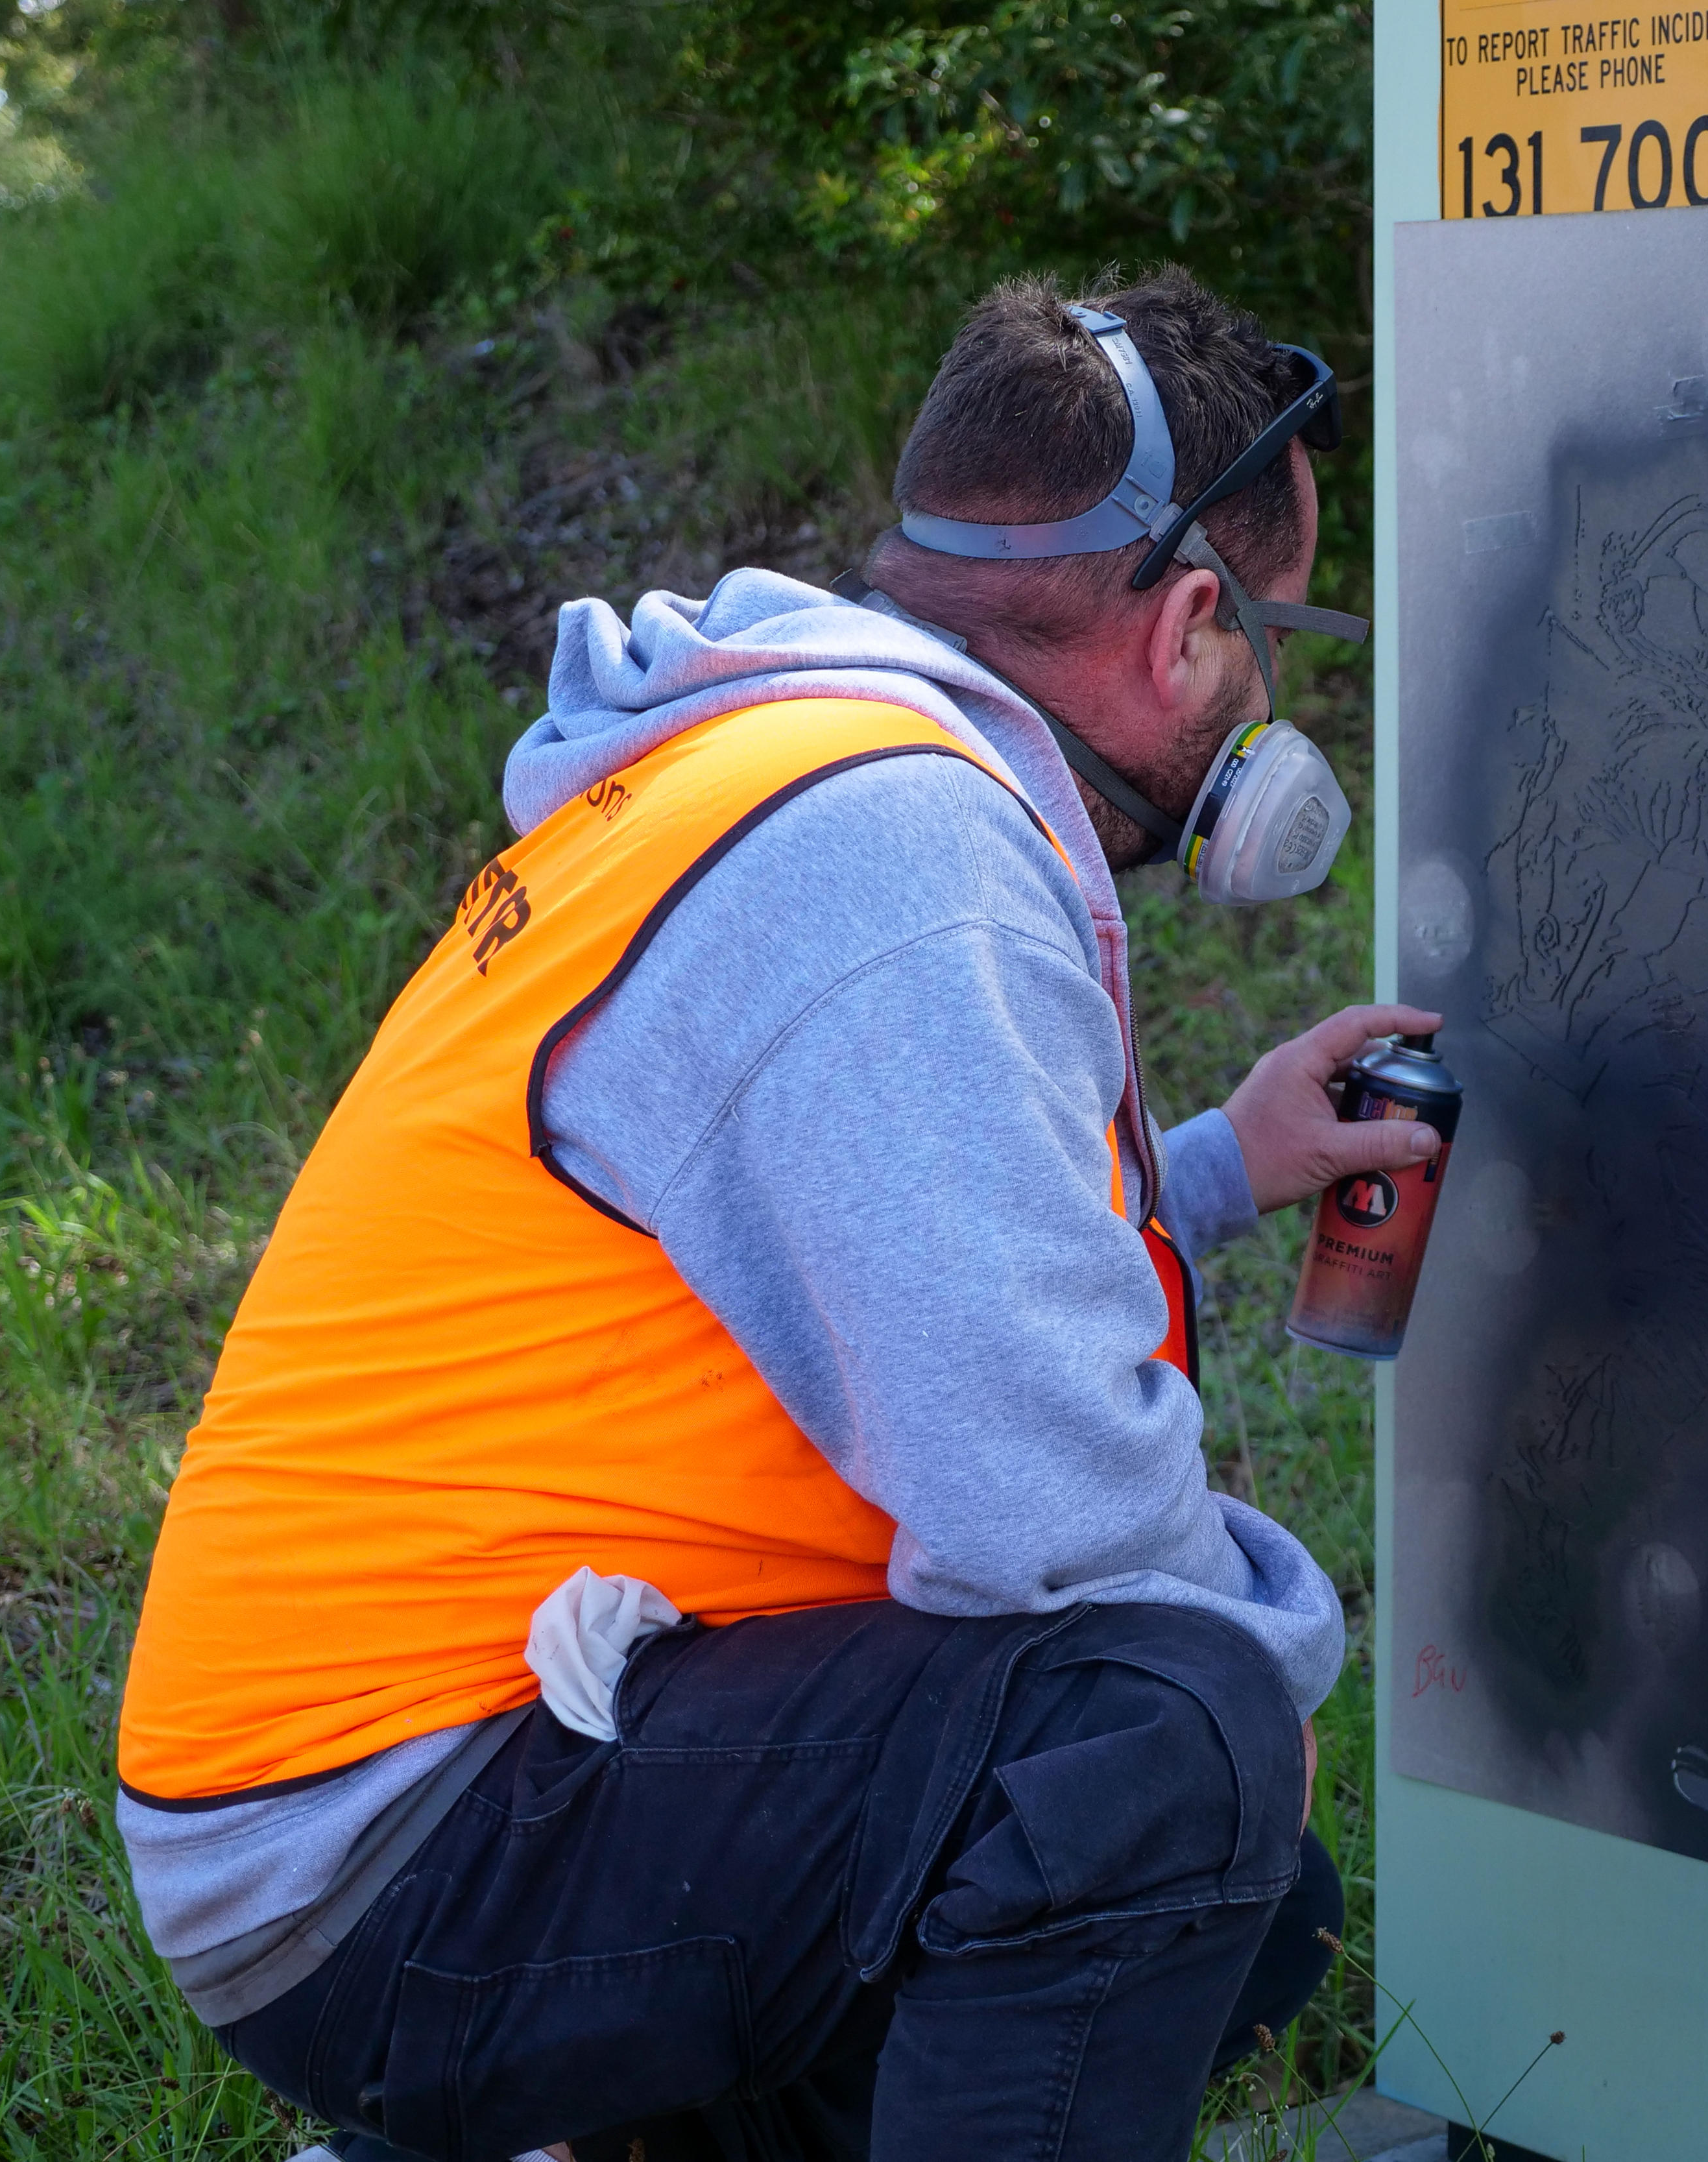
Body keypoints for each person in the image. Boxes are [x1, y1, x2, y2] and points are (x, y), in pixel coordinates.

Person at [113, 266, 1437, 2162]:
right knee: (1167, 1751)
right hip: (379, 1851)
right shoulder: (901, 855)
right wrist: (1251, 1699)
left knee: (1245, 1900)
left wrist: (1222, 1160)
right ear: (1187, 628)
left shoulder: (797, 772)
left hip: (378, 1774)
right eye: (1270, 643)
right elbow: (1043, 1504)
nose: (1265, 705)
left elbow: (866, 1270)